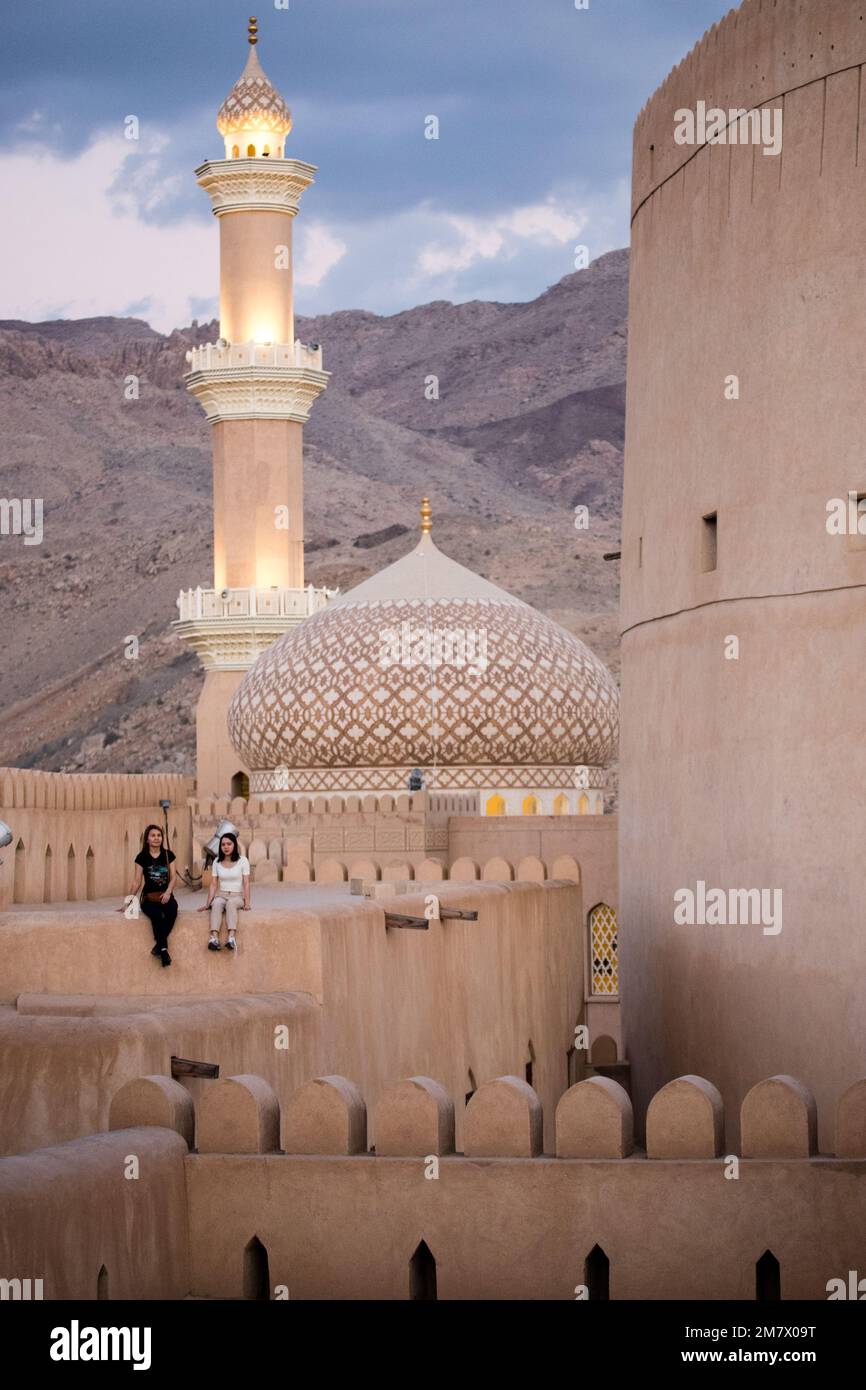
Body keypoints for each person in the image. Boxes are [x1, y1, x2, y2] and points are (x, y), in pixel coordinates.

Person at [120, 824, 178, 966]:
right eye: (153, 835)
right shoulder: (142, 857)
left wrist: (168, 892)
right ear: (147, 839)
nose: (156, 838)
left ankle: (159, 946)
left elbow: (174, 877)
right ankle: (163, 950)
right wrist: (127, 902)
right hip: (149, 898)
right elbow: (136, 881)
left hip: (165, 895)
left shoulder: (168, 854)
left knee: (172, 911)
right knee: (157, 915)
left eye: (159, 835)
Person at [199, 832, 250, 951]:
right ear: (220, 847)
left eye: (229, 844)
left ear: (234, 845)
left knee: (231, 904)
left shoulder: (243, 861)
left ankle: (231, 938)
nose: (226, 847)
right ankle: (214, 938)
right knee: (216, 904)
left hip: (237, 897)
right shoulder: (217, 861)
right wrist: (208, 904)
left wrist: (247, 902)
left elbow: (246, 883)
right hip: (221, 895)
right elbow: (213, 884)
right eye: (223, 845)